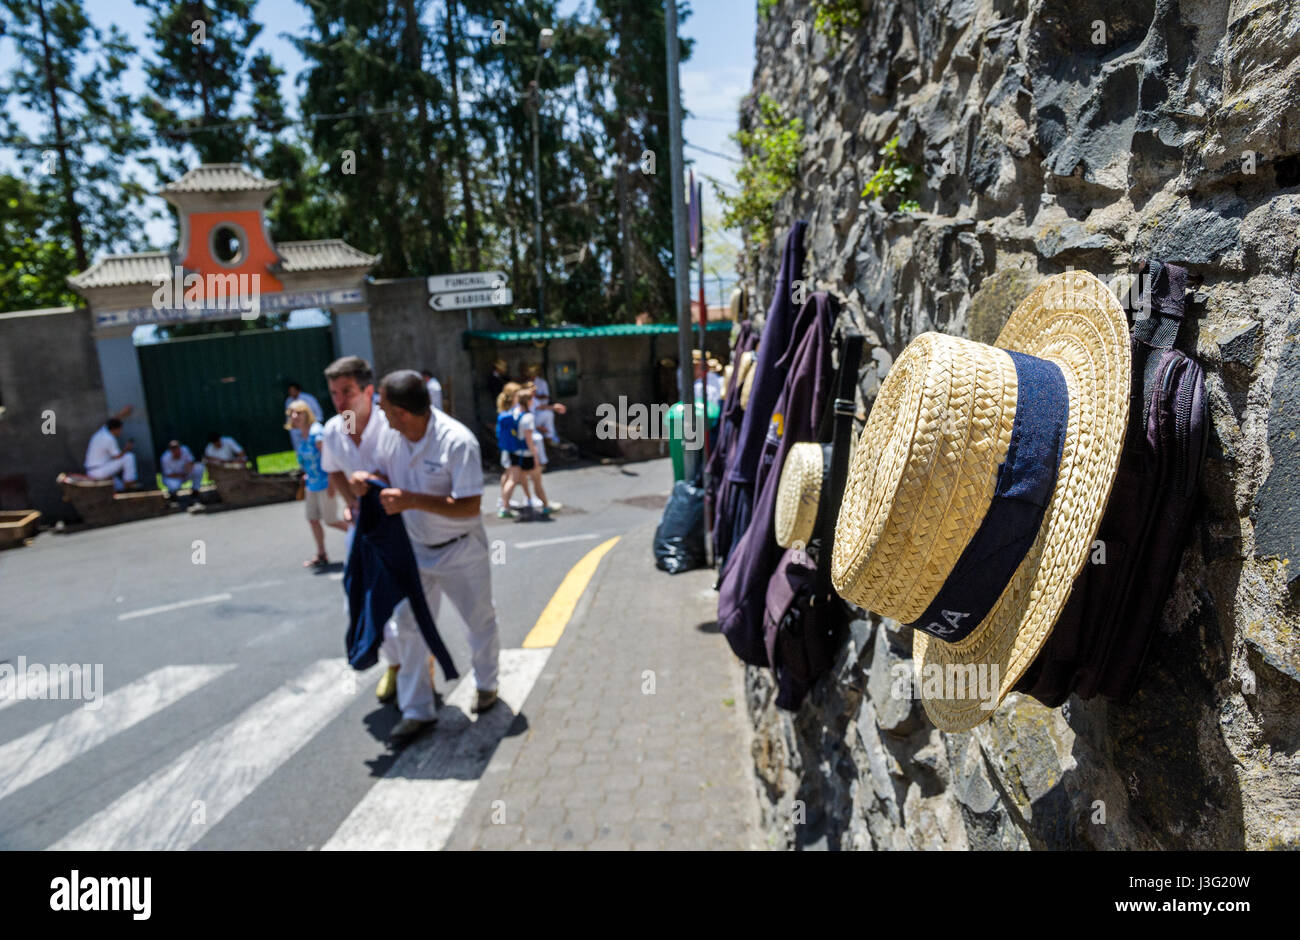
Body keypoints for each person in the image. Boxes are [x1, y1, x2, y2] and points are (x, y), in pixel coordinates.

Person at [348, 370, 501, 742]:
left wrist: (412, 500)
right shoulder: (392, 435)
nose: (378, 413)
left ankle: (486, 685)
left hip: (460, 550)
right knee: (408, 627)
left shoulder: (457, 442)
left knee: (477, 620)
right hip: (414, 552)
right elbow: (386, 471)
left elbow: (468, 507)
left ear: (401, 411)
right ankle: (417, 710)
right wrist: (367, 478)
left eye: (383, 406)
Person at [320, 356, 398, 701]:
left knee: (402, 604)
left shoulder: (391, 425)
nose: (340, 401)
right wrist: (352, 502)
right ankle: (395, 664)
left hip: (399, 526)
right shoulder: (333, 430)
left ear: (369, 391)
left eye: (347, 391)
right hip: (362, 530)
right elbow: (333, 469)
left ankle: (411, 670)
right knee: (361, 599)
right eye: (334, 393)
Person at [287, 401, 347, 567]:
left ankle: (361, 537)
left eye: (298, 413)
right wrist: (306, 475)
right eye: (292, 413)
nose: (294, 416)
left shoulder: (317, 433)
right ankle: (321, 554)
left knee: (331, 520)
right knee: (312, 519)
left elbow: (329, 459)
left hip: (325, 483)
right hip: (311, 484)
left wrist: (332, 483)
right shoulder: (302, 435)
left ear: (307, 413)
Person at [516, 386, 556, 516]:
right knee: (537, 481)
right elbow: (529, 439)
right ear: (528, 401)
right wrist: (536, 456)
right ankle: (545, 505)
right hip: (528, 453)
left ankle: (528, 499)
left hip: (517, 452)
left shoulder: (514, 414)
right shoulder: (528, 417)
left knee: (523, 479)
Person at [495, 382, 531, 518]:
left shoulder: (507, 413)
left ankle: (505, 501)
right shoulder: (509, 415)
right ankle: (505, 507)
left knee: (508, 475)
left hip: (507, 449)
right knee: (513, 478)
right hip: (511, 450)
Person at [84, 407, 138, 491]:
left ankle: (126, 487)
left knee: (120, 488)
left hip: (94, 470)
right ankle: (129, 483)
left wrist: (122, 413)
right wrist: (127, 448)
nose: (121, 432)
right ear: (115, 429)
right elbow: (118, 457)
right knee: (128, 457)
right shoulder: (109, 438)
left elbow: (112, 420)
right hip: (99, 471)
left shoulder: (103, 431)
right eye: (120, 430)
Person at [522, 363, 565, 444]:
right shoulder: (522, 402)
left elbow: (541, 405)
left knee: (549, 414)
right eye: (533, 391)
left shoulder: (534, 399)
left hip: (534, 419)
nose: (534, 393)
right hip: (526, 428)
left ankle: (550, 439)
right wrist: (538, 428)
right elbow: (523, 420)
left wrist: (555, 407)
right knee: (538, 439)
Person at [284, 381, 323, 450]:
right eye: (292, 413)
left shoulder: (316, 432)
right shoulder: (288, 401)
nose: (294, 416)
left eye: (299, 412)